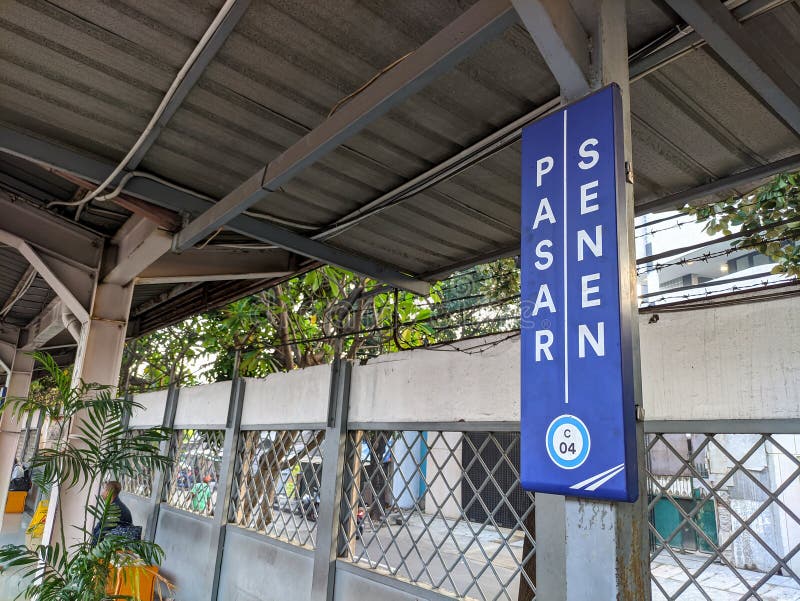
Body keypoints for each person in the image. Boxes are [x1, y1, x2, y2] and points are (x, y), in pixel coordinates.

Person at [91, 481, 133, 546]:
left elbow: (103, 531)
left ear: (108, 492)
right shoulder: (113, 506)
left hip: (116, 547)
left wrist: (92, 546)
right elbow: (100, 525)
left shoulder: (116, 509)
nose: (102, 493)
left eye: (104, 490)